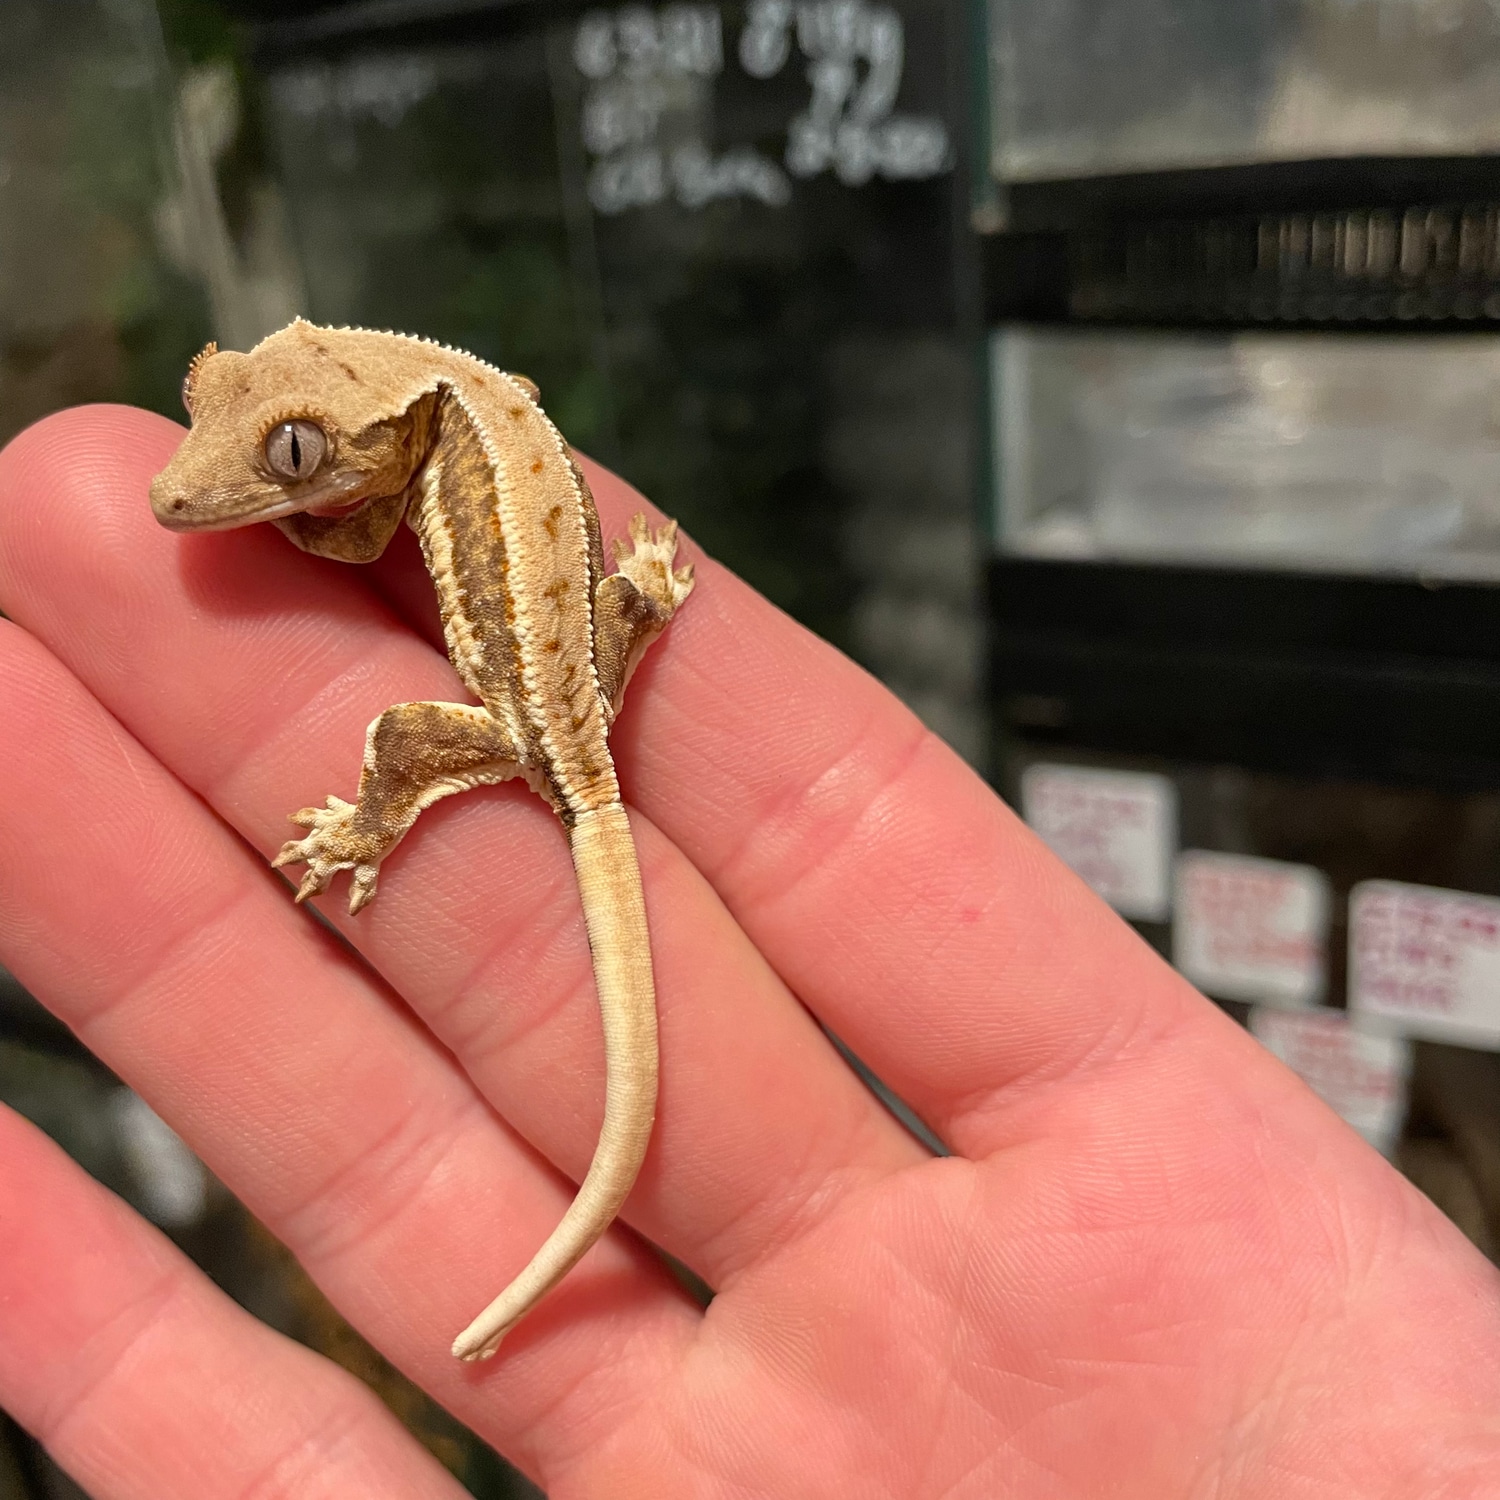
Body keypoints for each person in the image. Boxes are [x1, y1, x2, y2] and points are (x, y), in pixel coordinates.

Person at [0, 403, 1496, 1500]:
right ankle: (614, 626)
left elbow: (370, 522)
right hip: (571, 678)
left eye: (293, 458)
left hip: (532, 727)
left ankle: (387, 820)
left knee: (395, 741)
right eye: (233, 415)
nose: (236, 486)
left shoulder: (411, 462)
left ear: (376, 432)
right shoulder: (431, 433)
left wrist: (370, 813)